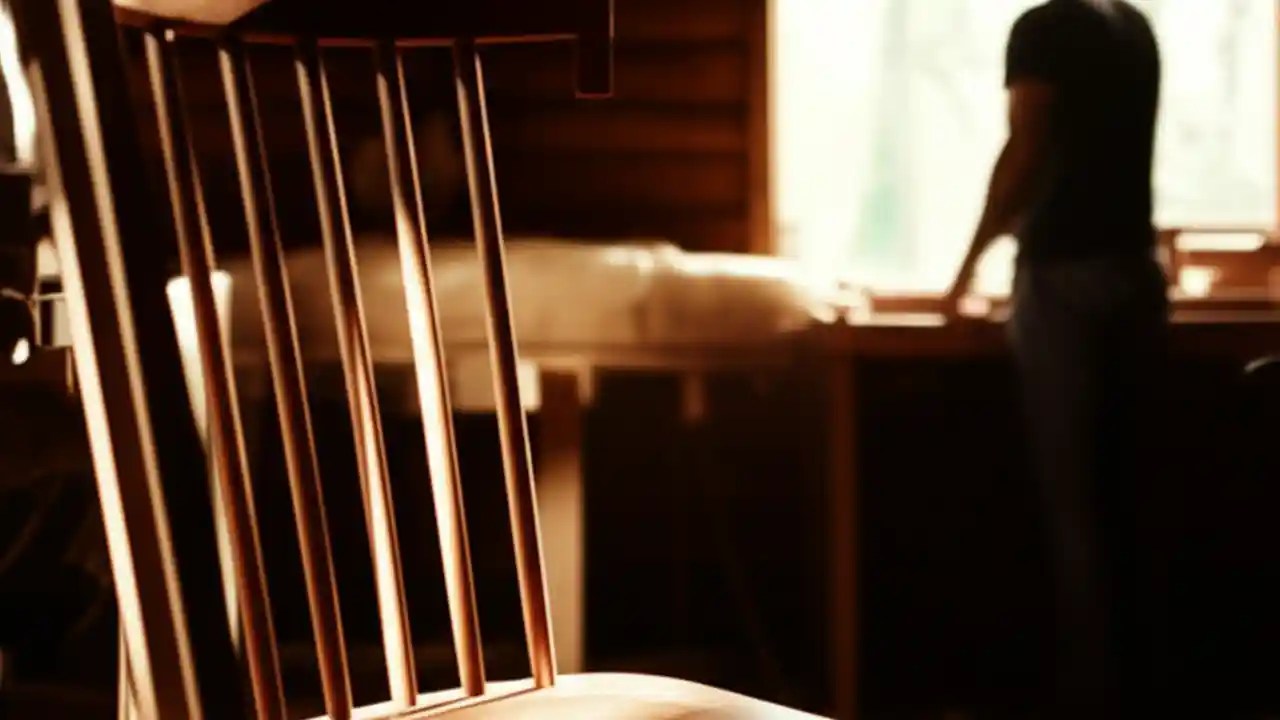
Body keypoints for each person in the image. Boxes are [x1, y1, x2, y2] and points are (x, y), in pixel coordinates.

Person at [945, 0, 1169, 716]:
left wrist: (967, 268)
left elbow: (1026, 153)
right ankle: (1145, 688)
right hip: (1136, 273)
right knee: (1131, 492)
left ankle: (1088, 696)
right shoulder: (1133, 27)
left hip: (1065, 278)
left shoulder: (1042, 29)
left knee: (1069, 498)